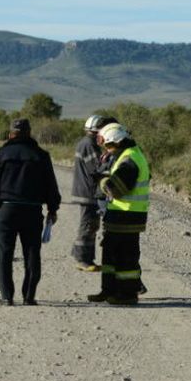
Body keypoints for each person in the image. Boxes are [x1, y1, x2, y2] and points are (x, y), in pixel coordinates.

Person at [0, 118, 61, 306]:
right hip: (32, 210)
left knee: (4, 254)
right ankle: (29, 296)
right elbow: (51, 185)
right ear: (29, 133)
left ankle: (7, 296)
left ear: (10, 134)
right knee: (32, 254)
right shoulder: (41, 155)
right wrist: (52, 209)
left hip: (6, 210)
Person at [88, 123, 150, 305]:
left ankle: (127, 295)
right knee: (110, 255)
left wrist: (102, 181)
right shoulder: (126, 155)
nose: (107, 149)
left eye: (108, 145)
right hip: (120, 216)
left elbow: (116, 190)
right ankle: (108, 290)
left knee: (125, 259)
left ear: (117, 142)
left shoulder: (130, 159)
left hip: (127, 217)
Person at [69, 115, 115, 272]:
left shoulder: (87, 143)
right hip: (87, 192)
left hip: (88, 191)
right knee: (88, 225)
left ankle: (84, 257)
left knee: (91, 225)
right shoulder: (89, 144)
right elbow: (97, 168)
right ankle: (82, 259)